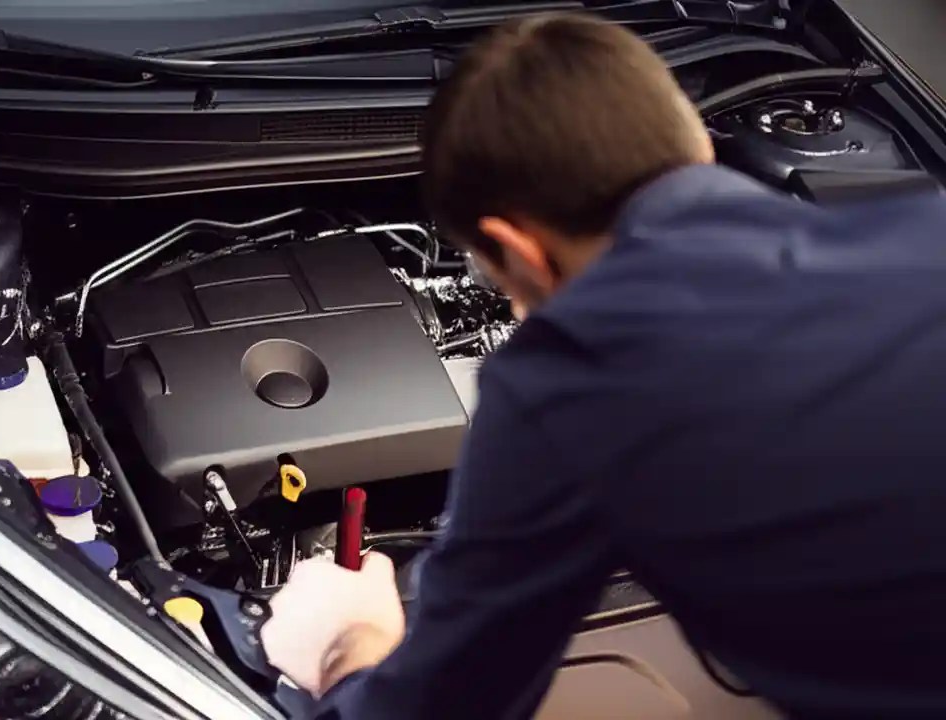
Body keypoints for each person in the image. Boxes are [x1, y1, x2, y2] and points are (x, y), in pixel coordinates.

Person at [260, 12, 946, 720]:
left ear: (518, 251)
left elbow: (430, 707)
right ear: (697, 152)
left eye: (503, 284)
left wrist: (350, 640)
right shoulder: (928, 227)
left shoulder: (570, 384)